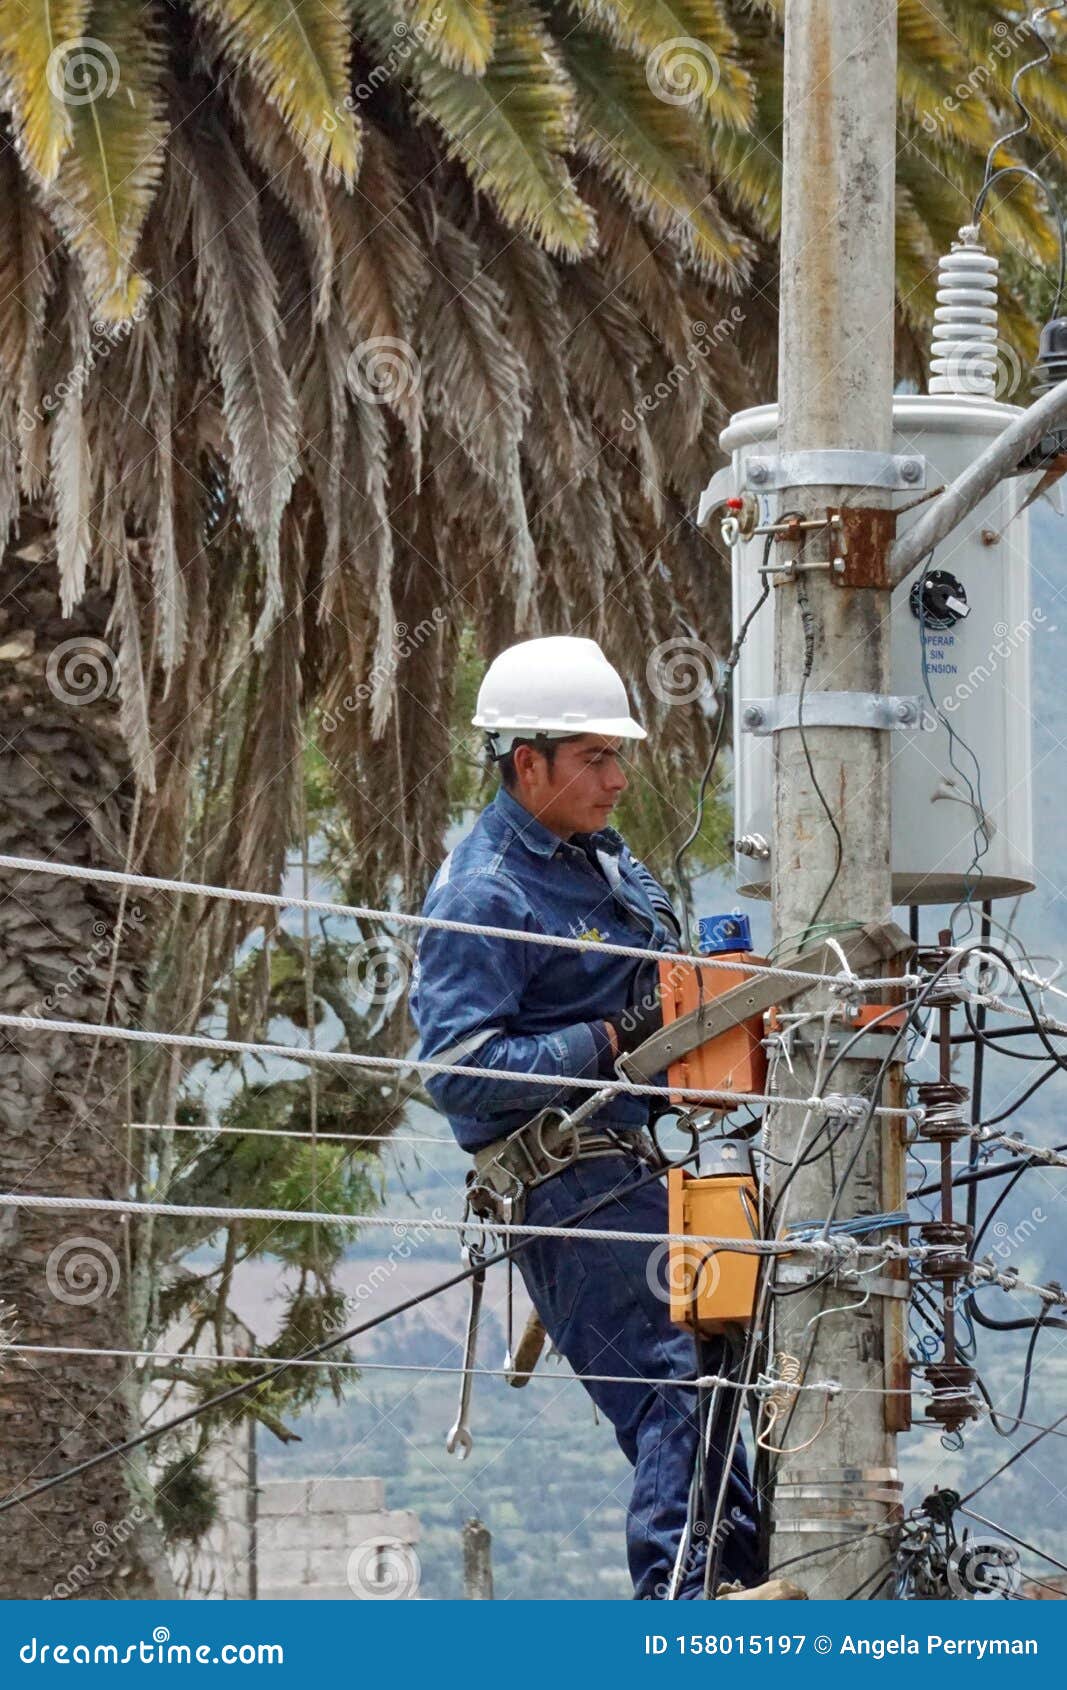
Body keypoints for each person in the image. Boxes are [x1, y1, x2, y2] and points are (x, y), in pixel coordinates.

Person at [409, 635, 762, 1599]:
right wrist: (609, 1037)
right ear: (529, 763)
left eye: (618, 754)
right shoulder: (488, 891)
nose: (617, 777)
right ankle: (678, 1613)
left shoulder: (596, 860)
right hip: (568, 1186)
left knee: (726, 1367)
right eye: (595, 757)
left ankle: (740, 1591)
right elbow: (458, 1073)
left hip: (631, 1165)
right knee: (677, 1380)